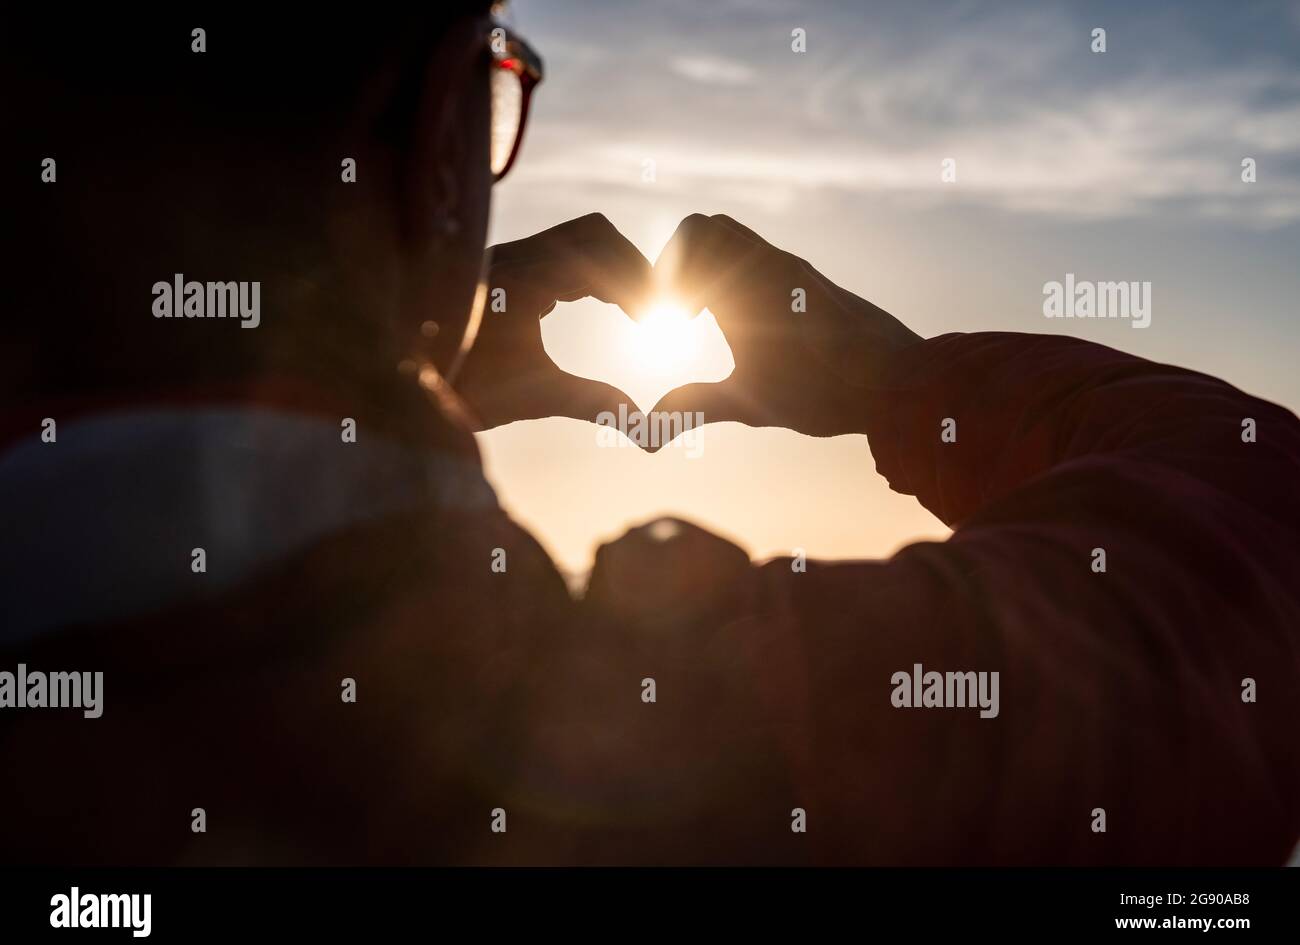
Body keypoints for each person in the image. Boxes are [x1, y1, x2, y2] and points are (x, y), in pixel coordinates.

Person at [2, 8, 1297, 865]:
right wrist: (904, 385)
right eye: (500, 84)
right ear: (442, 146)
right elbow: (1257, 543)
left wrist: (369, 360)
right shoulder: (672, 745)